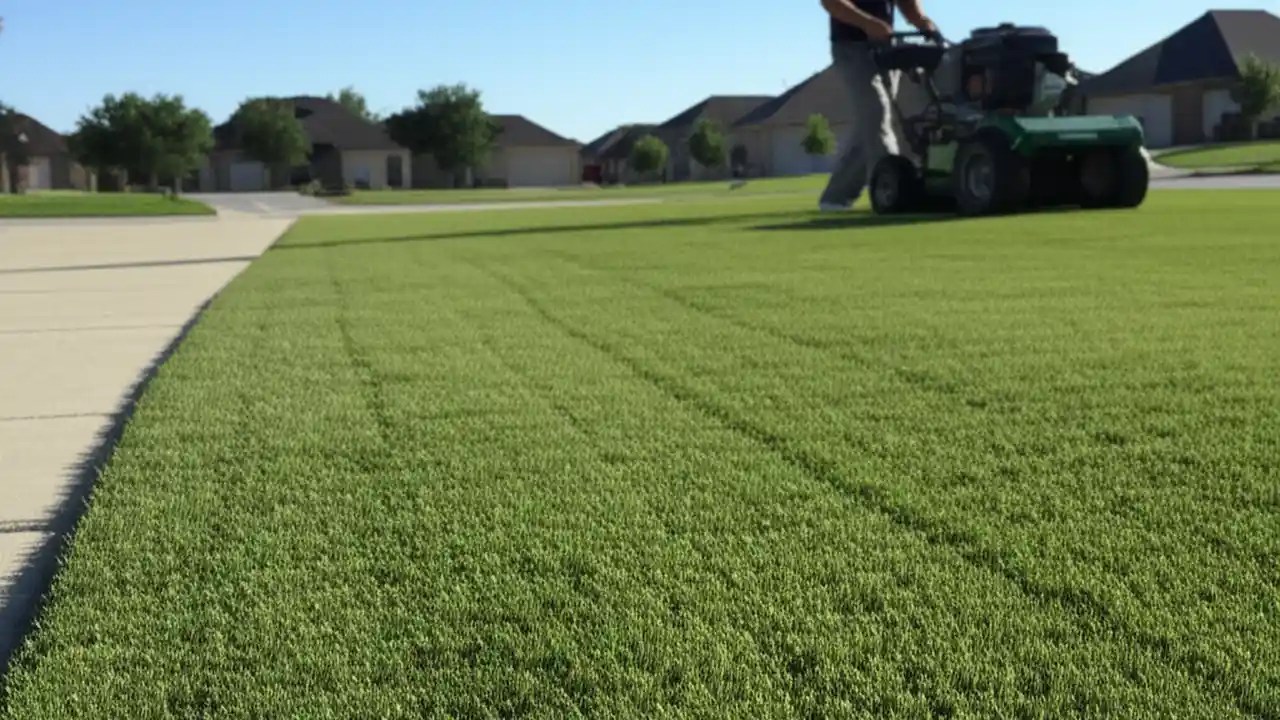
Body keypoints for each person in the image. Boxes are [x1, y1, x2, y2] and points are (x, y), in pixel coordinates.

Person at [818, 0, 938, 212]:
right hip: (851, 48)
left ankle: (835, 198)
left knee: (870, 126)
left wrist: (920, 20)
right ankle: (894, 194)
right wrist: (867, 23)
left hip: (885, 48)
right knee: (876, 113)